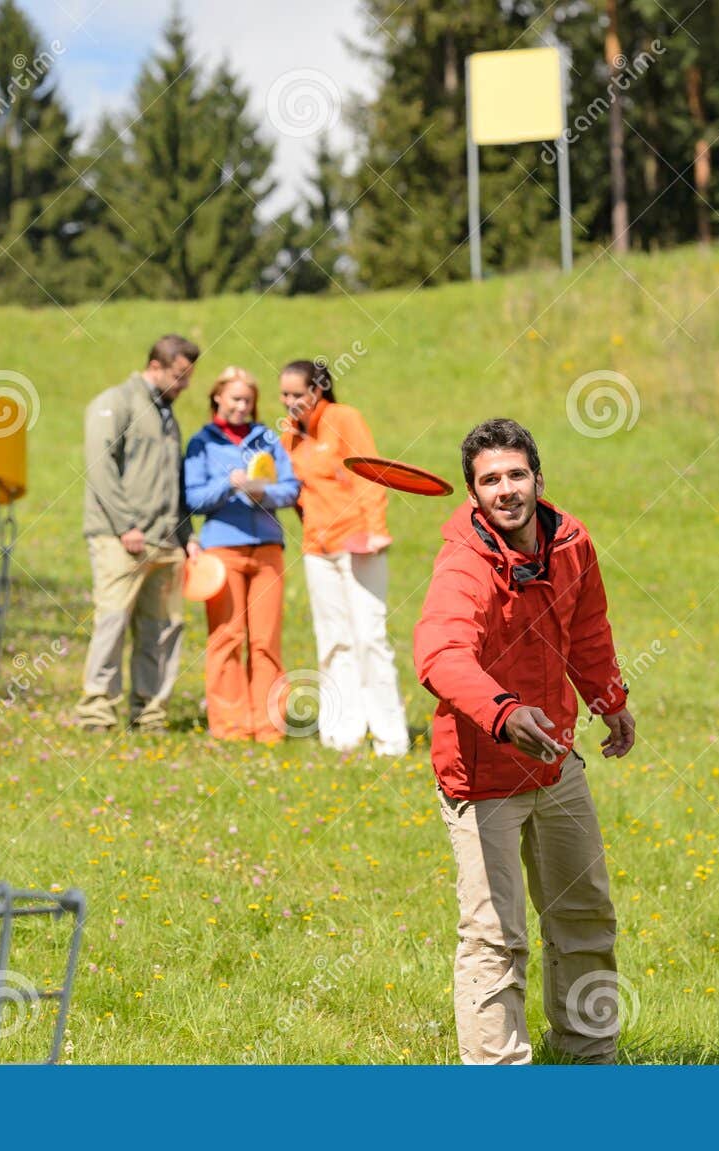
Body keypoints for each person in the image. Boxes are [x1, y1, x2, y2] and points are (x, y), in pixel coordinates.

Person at [413, 418, 636, 1065]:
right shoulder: (465, 563)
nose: (505, 489)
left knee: (586, 914)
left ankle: (589, 1056)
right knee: (494, 936)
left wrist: (610, 700)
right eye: (490, 480)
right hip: (483, 772)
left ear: (539, 479)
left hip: (556, 762)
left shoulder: (571, 543)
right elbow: (440, 653)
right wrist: (503, 712)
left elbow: (588, 630)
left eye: (516, 474)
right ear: (473, 494)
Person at [278, 359, 409, 756]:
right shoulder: (289, 435)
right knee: (333, 640)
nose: (289, 401)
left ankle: (390, 738)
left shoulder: (343, 418)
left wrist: (376, 529)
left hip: (358, 544)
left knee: (369, 637)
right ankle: (342, 733)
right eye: (283, 394)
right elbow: (294, 491)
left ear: (317, 390)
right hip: (317, 550)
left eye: (296, 394)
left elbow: (370, 473)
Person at [76, 335, 198, 732]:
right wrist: (125, 524)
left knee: (162, 629)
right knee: (112, 623)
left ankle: (149, 714)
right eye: (179, 376)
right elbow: (100, 466)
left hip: (166, 540)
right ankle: (97, 713)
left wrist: (186, 534)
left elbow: (174, 481)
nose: (185, 385)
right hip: (120, 539)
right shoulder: (115, 402)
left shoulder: (167, 415)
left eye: (188, 377)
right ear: (156, 366)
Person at [183, 367, 301, 741]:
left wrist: (263, 492)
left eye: (248, 400)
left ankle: (268, 726)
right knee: (227, 638)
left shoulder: (267, 439)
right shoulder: (202, 442)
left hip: (267, 549)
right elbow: (192, 499)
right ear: (217, 397)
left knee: (266, 641)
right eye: (235, 399)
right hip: (221, 550)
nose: (241, 406)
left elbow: (291, 488)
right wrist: (228, 484)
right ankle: (230, 726)